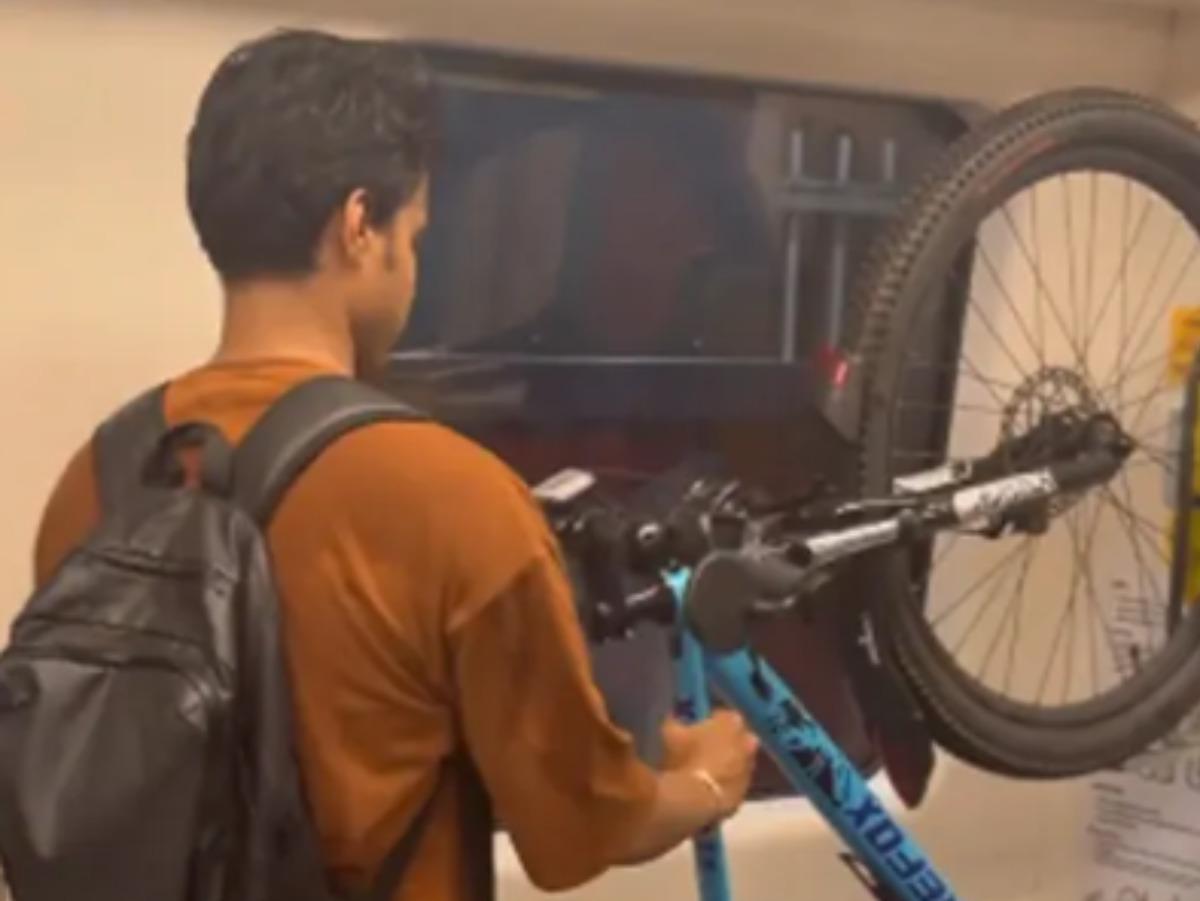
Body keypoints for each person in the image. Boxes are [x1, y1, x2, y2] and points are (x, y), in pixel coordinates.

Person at [30, 28, 759, 901]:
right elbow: (581, 828)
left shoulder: (98, 476)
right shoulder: (455, 498)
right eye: (413, 237)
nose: (412, 272)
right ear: (358, 226)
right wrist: (705, 780)